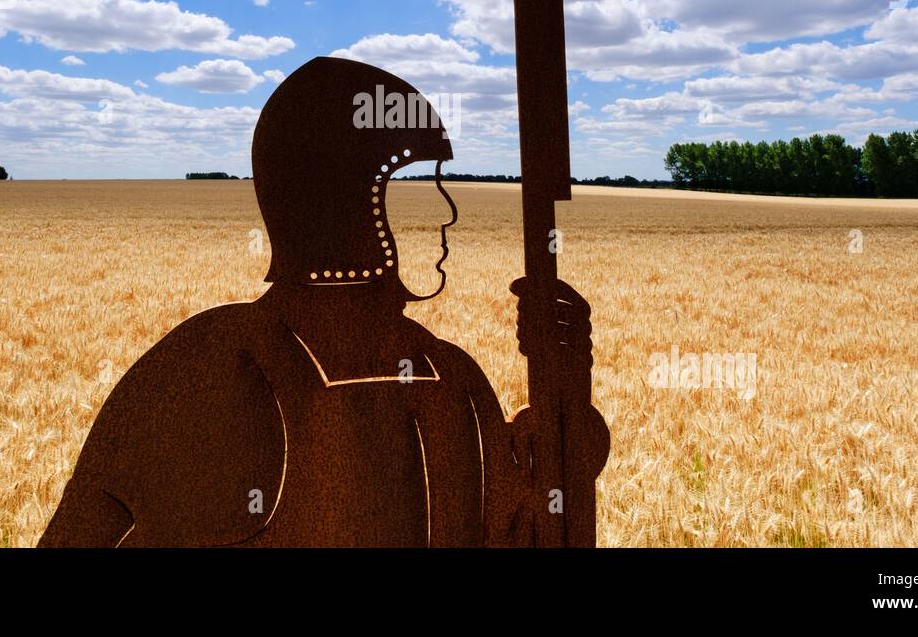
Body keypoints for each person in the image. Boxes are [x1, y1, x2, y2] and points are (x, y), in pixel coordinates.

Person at [39, 56, 605, 547]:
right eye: (413, 185)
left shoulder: (453, 376)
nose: (446, 209)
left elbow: (523, 534)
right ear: (342, 202)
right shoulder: (221, 368)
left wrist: (565, 399)